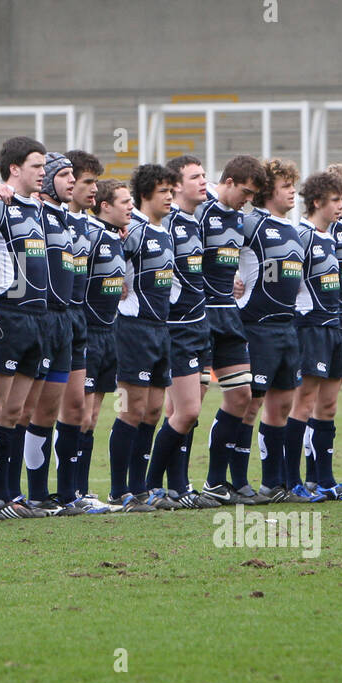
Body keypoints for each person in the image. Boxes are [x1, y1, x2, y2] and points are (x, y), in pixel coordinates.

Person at [236, 159, 319, 502]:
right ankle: (236, 483)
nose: (293, 193)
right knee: (248, 407)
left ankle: (275, 484)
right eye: (286, 186)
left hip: (287, 328)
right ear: (268, 190)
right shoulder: (249, 224)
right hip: (256, 327)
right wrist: (230, 280)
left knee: (282, 408)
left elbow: (297, 282)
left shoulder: (293, 230)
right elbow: (216, 250)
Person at [291, 163, 342, 501]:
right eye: (338, 197)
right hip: (311, 329)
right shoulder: (303, 235)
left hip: (337, 327)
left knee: (329, 408)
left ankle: (323, 479)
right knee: (302, 404)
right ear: (320, 201)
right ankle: (291, 480)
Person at [144, 154, 216, 508]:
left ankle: (180, 486)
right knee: (185, 412)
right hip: (177, 329)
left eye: (205, 176)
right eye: (195, 177)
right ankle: (153, 486)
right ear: (175, 187)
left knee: (184, 413)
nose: (204, 182)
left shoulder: (194, 219)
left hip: (199, 325)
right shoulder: (167, 223)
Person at [0, 136, 49, 516]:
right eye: (37, 166)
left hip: (38, 320)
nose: (43, 172)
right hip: (10, 315)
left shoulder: (38, 209)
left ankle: (11, 495)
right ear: (14, 169)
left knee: (20, 412)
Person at [196, 155, 265, 504]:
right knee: (189, 405)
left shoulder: (240, 218)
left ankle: (215, 482)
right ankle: (169, 486)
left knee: (241, 396)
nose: (248, 200)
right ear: (229, 181)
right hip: (196, 317)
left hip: (228, 315)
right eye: (246, 192)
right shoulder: (199, 208)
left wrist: (235, 279)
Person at [108, 164, 178, 512]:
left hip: (160, 329)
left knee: (152, 411)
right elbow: (110, 262)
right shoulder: (131, 230)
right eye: (163, 191)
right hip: (133, 329)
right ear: (146, 194)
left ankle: (140, 487)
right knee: (130, 410)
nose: (170, 196)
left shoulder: (164, 231)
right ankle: (119, 490)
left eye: (171, 190)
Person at [16, 152, 76, 511]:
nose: (70, 181)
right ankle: (12, 493)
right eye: (64, 174)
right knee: (20, 411)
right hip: (38, 317)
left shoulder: (68, 219)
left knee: (48, 411)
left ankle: (41, 494)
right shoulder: (33, 211)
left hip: (64, 321)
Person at [78, 180, 133, 512]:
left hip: (108, 333)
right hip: (87, 333)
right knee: (80, 415)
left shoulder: (116, 237)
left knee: (94, 415)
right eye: (123, 202)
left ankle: (82, 491)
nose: (130, 207)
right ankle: (74, 489)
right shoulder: (92, 235)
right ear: (103, 205)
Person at [55, 150, 104, 511]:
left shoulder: (93, 227)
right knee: (29, 412)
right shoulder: (51, 220)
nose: (91, 188)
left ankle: (75, 492)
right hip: (51, 320)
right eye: (86, 181)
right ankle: (50, 492)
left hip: (80, 323)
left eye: (93, 182)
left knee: (80, 412)